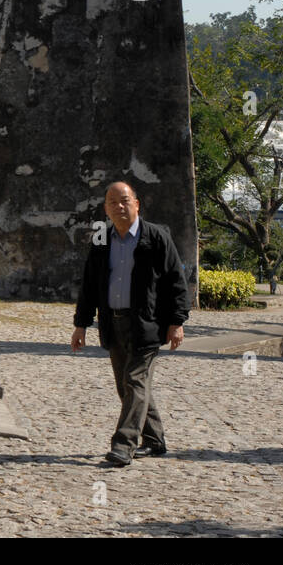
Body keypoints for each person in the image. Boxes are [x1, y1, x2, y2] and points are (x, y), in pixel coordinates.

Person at [70, 181, 189, 466]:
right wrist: (81, 324)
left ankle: (123, 445)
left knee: (134, 381)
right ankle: (155, 440)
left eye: (124, 200)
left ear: (137, 204)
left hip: (147, 325)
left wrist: (177, 322)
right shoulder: (102, 240)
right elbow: (89, 285)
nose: (119, 206)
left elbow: (176, 281)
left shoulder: (156, 237)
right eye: (112, 202)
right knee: (127, 388)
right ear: (105, 209)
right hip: (113, 323)